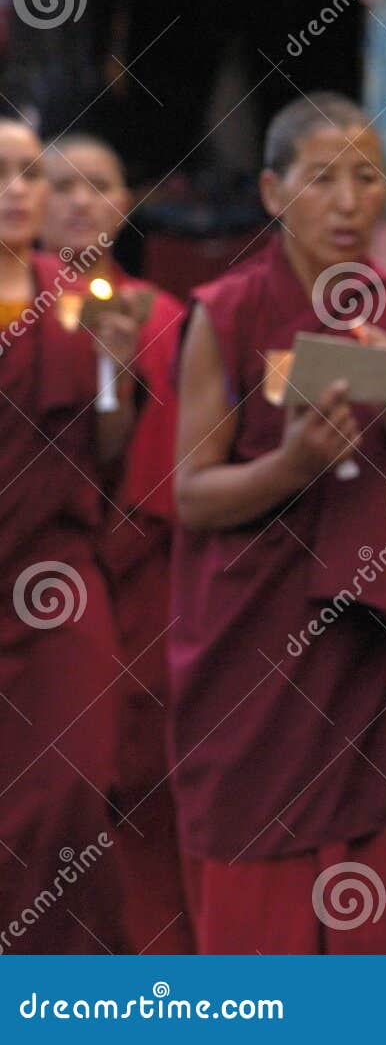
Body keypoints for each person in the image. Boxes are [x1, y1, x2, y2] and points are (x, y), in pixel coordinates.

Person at [171, 93, 386, 953]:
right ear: (272, 192)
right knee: (260, 911)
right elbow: (191, 493)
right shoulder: (225, 314)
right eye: (322, 179)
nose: (348, 202)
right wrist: (291, 467)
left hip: (373, 654)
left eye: (367, 179)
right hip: (253, 651)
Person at [39, 132, 195, 953]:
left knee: (144, 780)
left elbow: (175, 465)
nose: (76, 202)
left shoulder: (163, 316)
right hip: (36, 572)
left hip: (146, 581)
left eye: (97, 185)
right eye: (57, 185)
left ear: (125, 205)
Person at [0, 117, 131, 952]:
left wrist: (112, 369)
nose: (17, 191)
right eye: (1, 175)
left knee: (74, 785)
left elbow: (104, 456)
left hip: (54, 571)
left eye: (29, 176)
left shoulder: (72, 298)